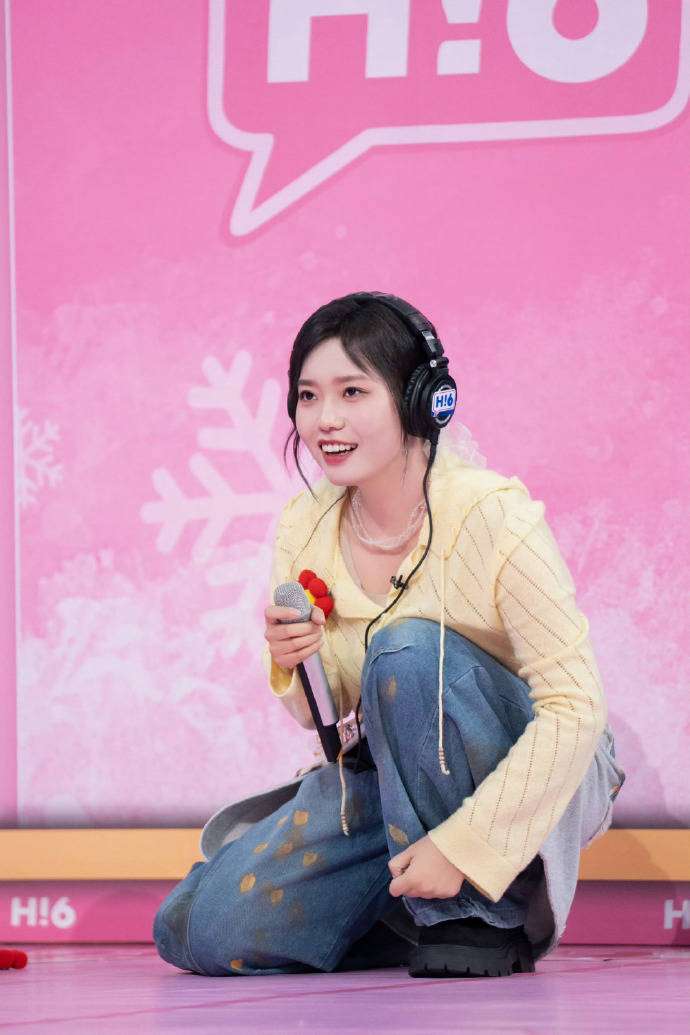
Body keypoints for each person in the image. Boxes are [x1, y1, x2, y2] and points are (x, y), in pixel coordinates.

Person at [153, 292, 626, 979]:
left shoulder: (493, 514)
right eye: (308, 396)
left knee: (406, 648)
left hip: (531, 762)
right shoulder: (306, 523)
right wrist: (296, 662)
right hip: (392, 772)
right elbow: (332, 710)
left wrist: (464, 847)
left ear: (419, 399)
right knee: (197, 929)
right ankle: (405, 912)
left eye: (352, 391)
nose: (325, 418)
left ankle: (475, 914)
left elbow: (575, 708)